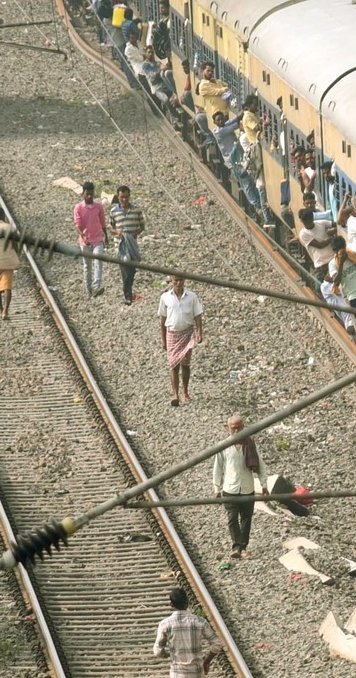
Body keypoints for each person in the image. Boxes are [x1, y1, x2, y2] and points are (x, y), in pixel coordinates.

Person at [211, 414, 263, 558]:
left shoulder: (251, 445)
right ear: (229, 429)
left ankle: (243, 547)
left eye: (239, 428)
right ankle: (237, 547)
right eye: (233, 429)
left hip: (247, 488)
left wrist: (263, 484)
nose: (236, 431)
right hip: (230, 488)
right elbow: (218, 468)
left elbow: (260, 465)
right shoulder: (224, 446)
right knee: (232, 518)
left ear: (243, 427)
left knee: (246, 519)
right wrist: (216, 487)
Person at [152, 587, 219, 678]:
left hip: (177, 674)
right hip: (197, 673)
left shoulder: (165, 624)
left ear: (171, 604)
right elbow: (217, 643)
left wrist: (167, 655)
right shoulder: (200, 621)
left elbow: (157, 651)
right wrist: (207, 661)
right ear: (187, 603)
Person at [158, 275, 204, 405]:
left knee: (186, 364)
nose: (178, 283)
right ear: (172, 281)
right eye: (175, 280)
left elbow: (198, 315)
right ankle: (175, 394)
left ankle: (185, 392)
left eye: (181, 280)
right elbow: (162, 319)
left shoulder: (192, 297)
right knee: (173, 364)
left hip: (187, 333)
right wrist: (163, 339)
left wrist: (199, 332)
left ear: (184, 280)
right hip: (172, 334)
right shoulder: (165, 297)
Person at [109, 185, 146, 304]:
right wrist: (117, 232)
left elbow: (142, 226)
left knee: (132, 269)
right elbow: (111, 227)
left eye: (126, 197)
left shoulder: (136, 210)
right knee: (125, 268)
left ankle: (127, 291)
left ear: (129, 196)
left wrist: (134, 234)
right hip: (120, 245)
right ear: (118, 197)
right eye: (121, 197)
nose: (124, 200)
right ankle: (128, 295)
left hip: (132, 245)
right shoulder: (114, 211)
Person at [74, 181, 107, 298]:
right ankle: (88, 290)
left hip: (98, 238)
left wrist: (106, 237)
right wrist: (83, 236)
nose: (89, 197)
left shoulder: (98, 206)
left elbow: (103, 222)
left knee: (98, 261)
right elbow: (77, 225)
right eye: (87, 194)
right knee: (87, 266)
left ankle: (96, 286)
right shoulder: (78, 207)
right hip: (85, 241)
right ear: (83, 194)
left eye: (91, 194)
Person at [297, 207, 337, 274]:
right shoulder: (303, 234)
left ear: (312, 218)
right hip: (322, 265)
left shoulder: (321, 223)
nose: (308, 224)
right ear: (301, 221)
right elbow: (320, 245)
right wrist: (332, 238)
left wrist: (336, 229)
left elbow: (336, 224)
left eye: (309, 220)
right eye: (305, 222)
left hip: (333, 259)